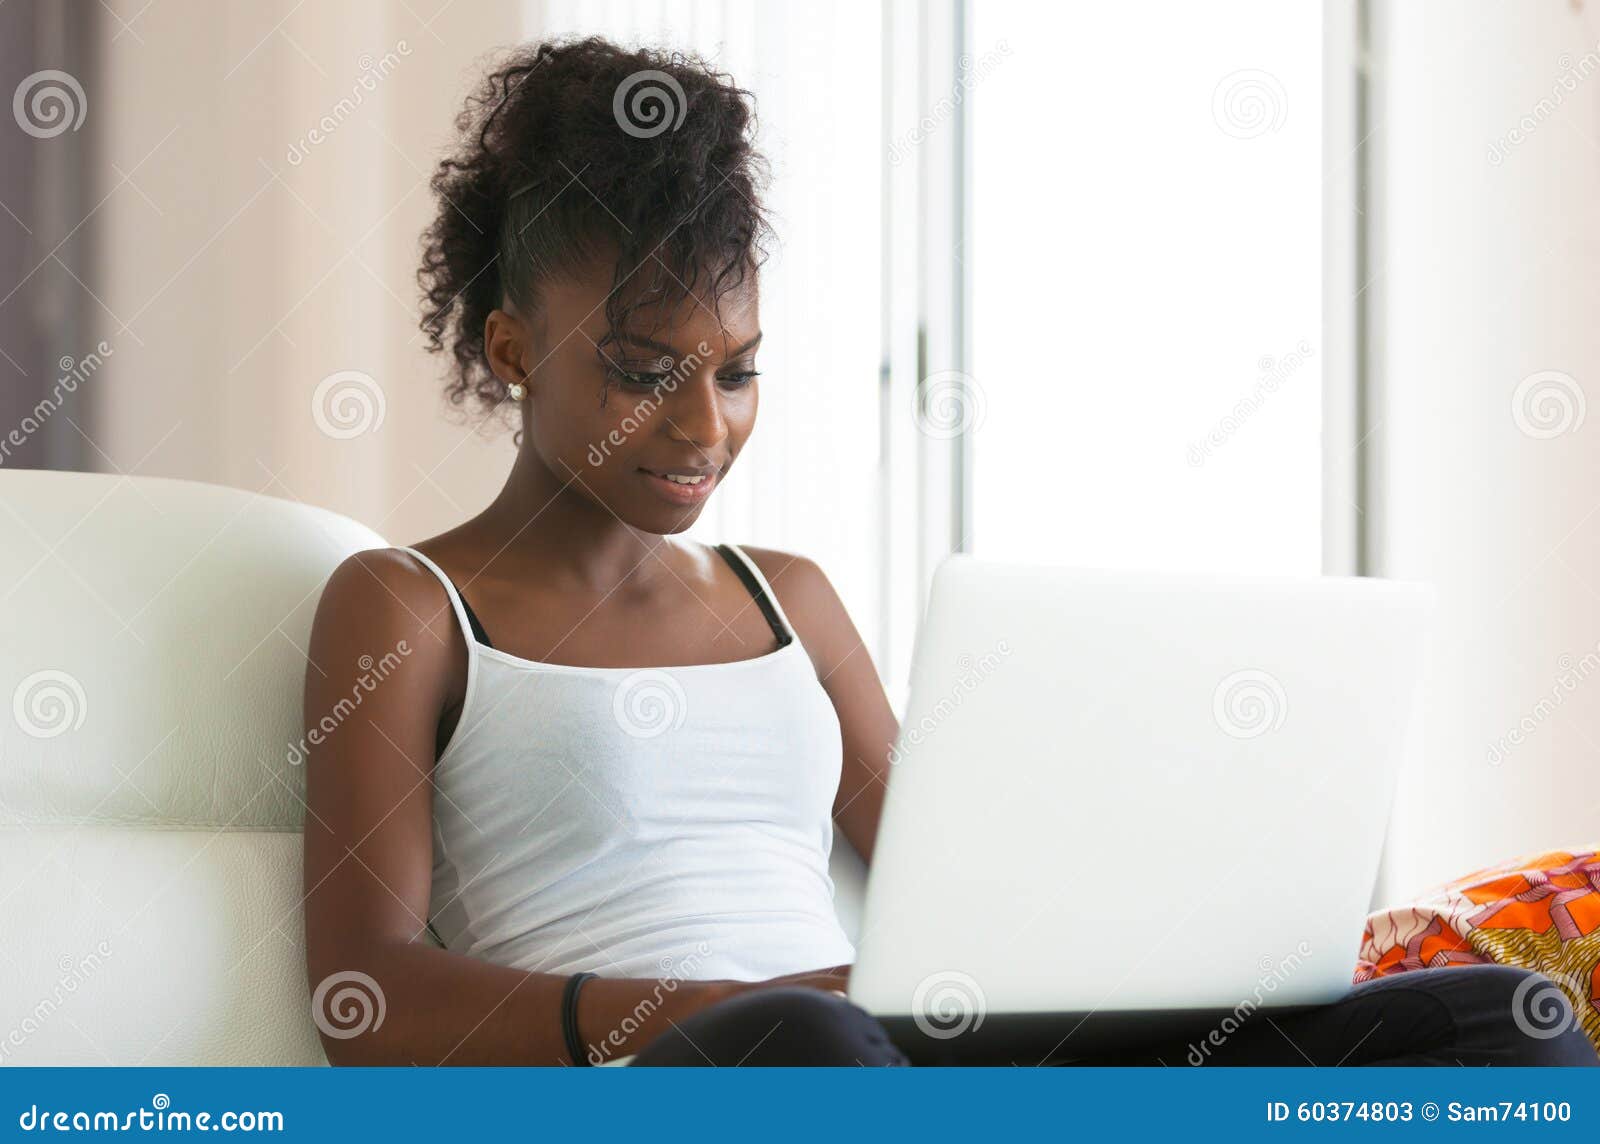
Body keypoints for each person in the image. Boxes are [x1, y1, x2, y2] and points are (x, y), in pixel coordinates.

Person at [299, 36, 1597, 1068]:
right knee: (808, 1040)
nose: (705, 425)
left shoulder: (787, 598)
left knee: (1497, 1021)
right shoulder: (408, 607)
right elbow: (368, 1001)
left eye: (740, 372)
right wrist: (715, 1005)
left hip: (882, 1058)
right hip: (691, 1080)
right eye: (646, 372)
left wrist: (1150, 949)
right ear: (515, 347)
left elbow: (956, 897)